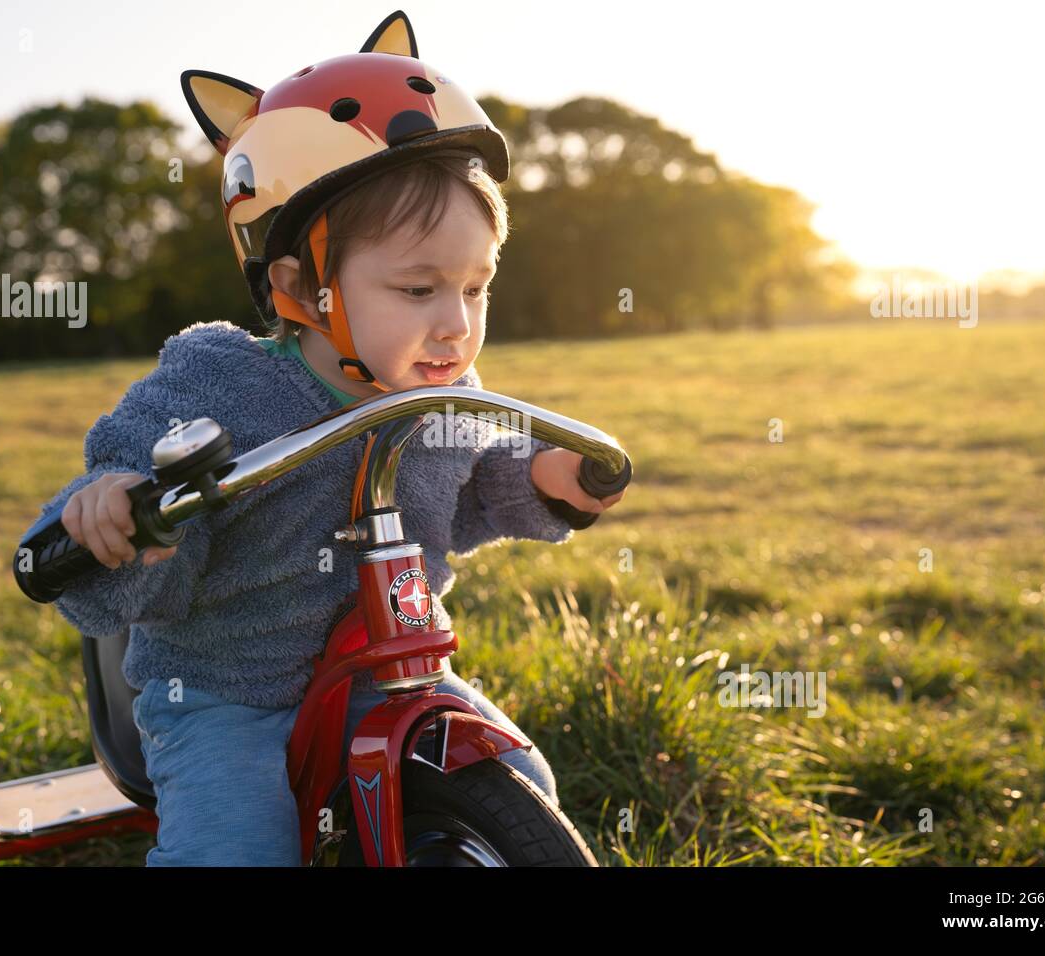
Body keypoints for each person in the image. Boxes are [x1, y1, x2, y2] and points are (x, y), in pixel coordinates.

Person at [36, 11, 625, 866]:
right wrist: (116, 511)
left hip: (390, 670)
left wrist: (546, 478)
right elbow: (132, 465)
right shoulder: (219, 380)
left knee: (525, 777)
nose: (455, 324)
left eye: (475, 287)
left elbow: (482, 480)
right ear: (299, 290)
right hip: (231, 690)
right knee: (237, 848)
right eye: (419, 288)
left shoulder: (443, 389)